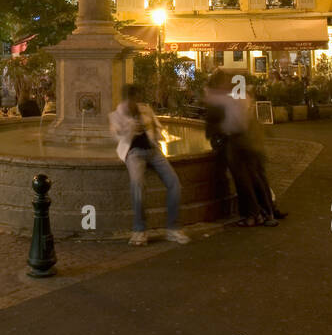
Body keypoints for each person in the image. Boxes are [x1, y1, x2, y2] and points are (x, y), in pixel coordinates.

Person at [108, 84, 188, 246]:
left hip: (153, 151)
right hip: (133, 153)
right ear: (126, 98)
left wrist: (157, 134)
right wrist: (131, 129)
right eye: (133, 98)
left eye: (137, 98)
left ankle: (173, 228)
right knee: (137, 185)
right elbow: (116, 138)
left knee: (174, 183)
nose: (136, 101)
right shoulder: (116, 115)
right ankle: (139, 230)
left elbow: (158, 127)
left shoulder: (146, 110)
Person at [205, 71, 275, 227]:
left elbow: (214, 101)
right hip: (247, 141)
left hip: (238, 141)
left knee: (243, 180)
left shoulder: (229, 98)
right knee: (253, 178)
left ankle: (254, 214)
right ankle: (265, 212)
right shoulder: (240, 96)